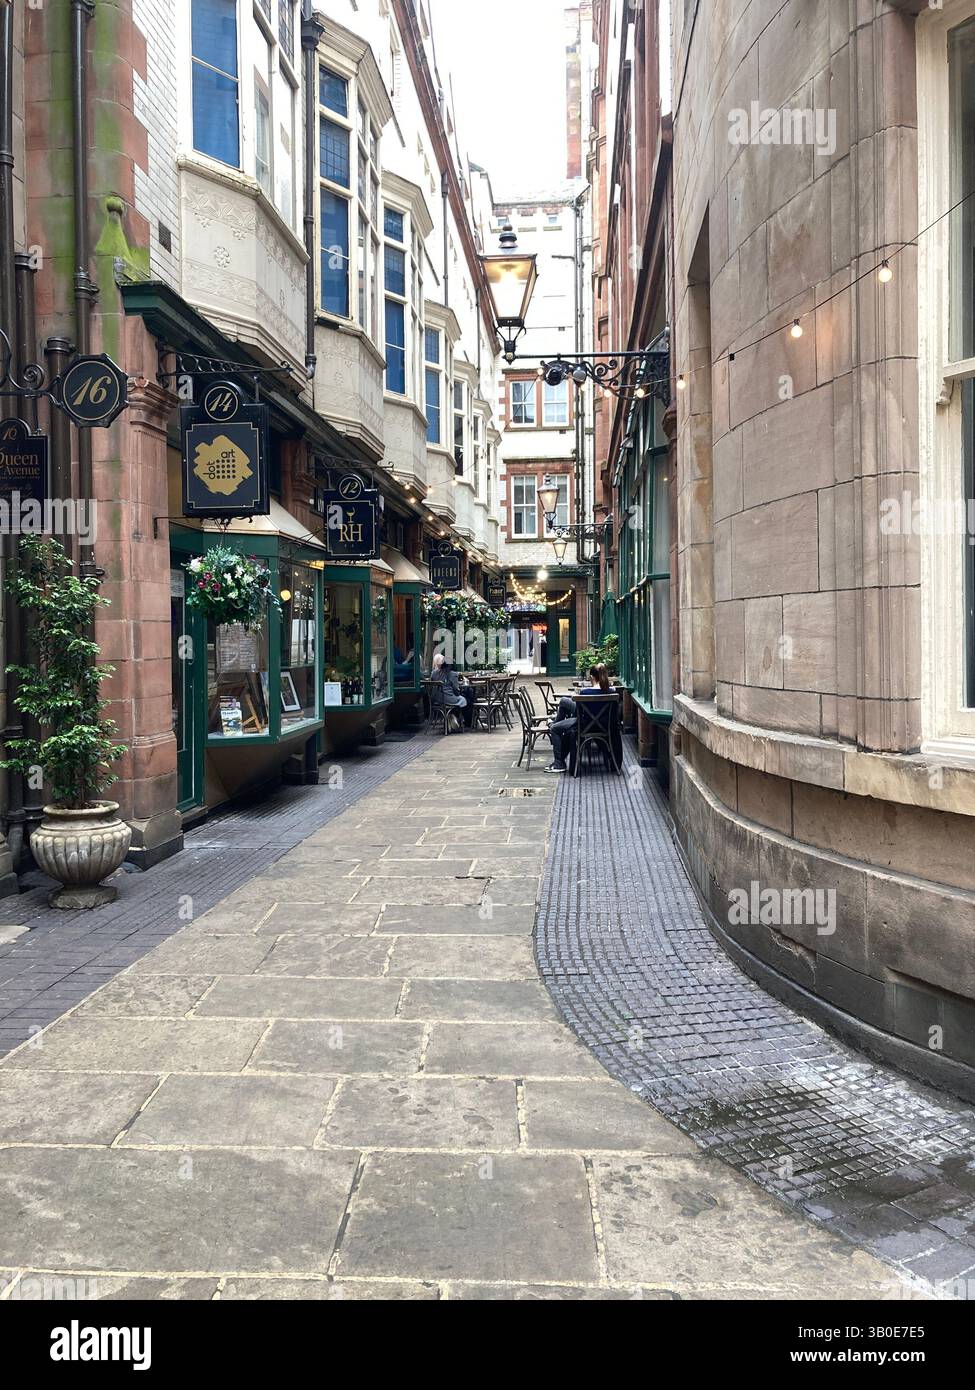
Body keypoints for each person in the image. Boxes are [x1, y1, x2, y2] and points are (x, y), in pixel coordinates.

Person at [546, 663, 613, 772]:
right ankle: (555, 722)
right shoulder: (611, 691)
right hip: (603, 724)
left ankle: (559, 763)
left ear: (592, 677)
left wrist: (568, 721)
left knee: (554, 729)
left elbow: (578, 713)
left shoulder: (585, 692)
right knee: (564, 701)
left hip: (585, 724)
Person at [429, 652, 475, 729]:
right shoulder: (452, 674)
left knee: (463, 700)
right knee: (467, 701)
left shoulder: (433, 673)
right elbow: (456, 691)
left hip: (436, 700)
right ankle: (468, 723)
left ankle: (453, 718)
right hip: (448, 699)